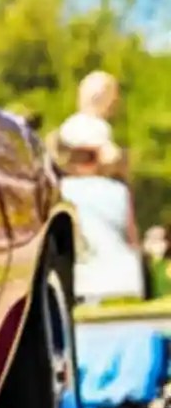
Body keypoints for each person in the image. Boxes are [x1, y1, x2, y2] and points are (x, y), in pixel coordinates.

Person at [56, 111, 145, 303]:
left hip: (83, 284)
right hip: (124, 282)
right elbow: (132, 239)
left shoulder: (61, 191)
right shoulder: (118, 190)